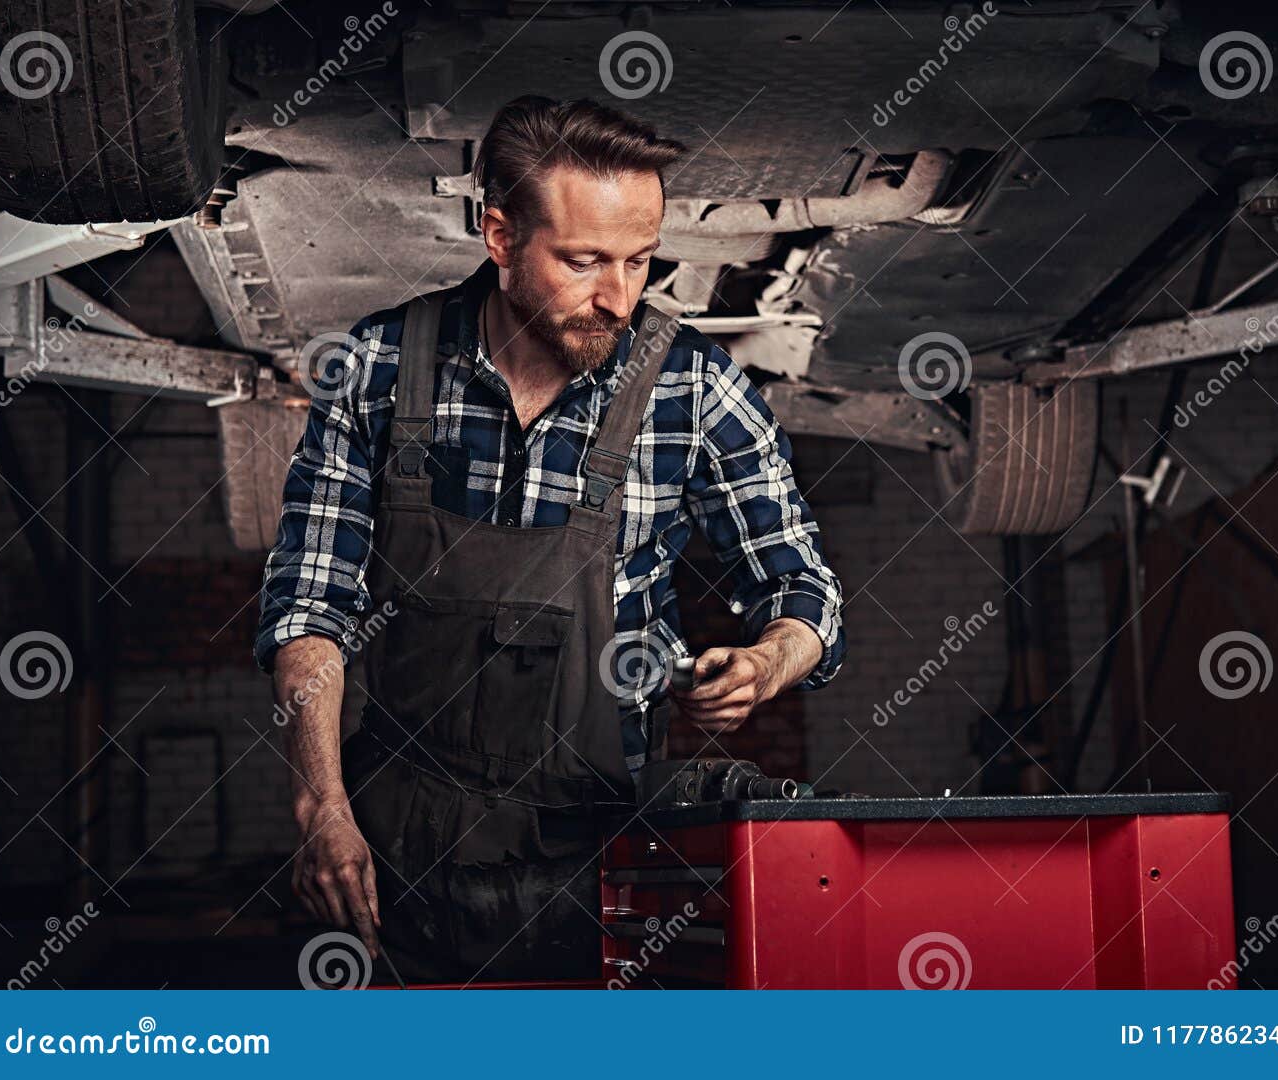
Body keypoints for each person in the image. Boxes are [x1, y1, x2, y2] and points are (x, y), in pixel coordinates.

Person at [255, 96, 845, 983]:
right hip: (391, 850)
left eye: (640, 261)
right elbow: (310, 602)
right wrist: (322, 806)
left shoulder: (692, 390)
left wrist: (768, 664)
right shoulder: (379, 368)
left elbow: (802, 586)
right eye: (584, 261)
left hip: (602, 860)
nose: (619, 296)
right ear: (499, 236)